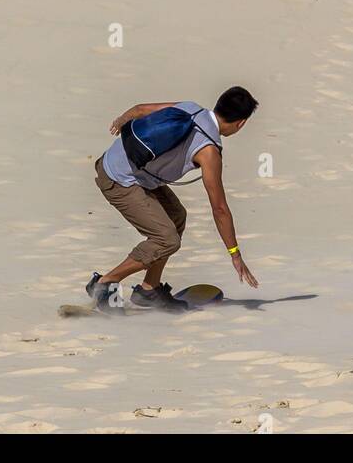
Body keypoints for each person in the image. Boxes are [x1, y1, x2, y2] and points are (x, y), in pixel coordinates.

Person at [86, 86, 260, 312]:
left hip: (124, 168)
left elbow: (139, 109)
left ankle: (149, 289)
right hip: (120, 181)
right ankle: (104, 283)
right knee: (166, 239)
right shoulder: (209, 152)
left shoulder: (190, 108)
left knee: (177, 217)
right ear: (241, 123)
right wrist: (235, 254)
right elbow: (219, 209)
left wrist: (121, 120)